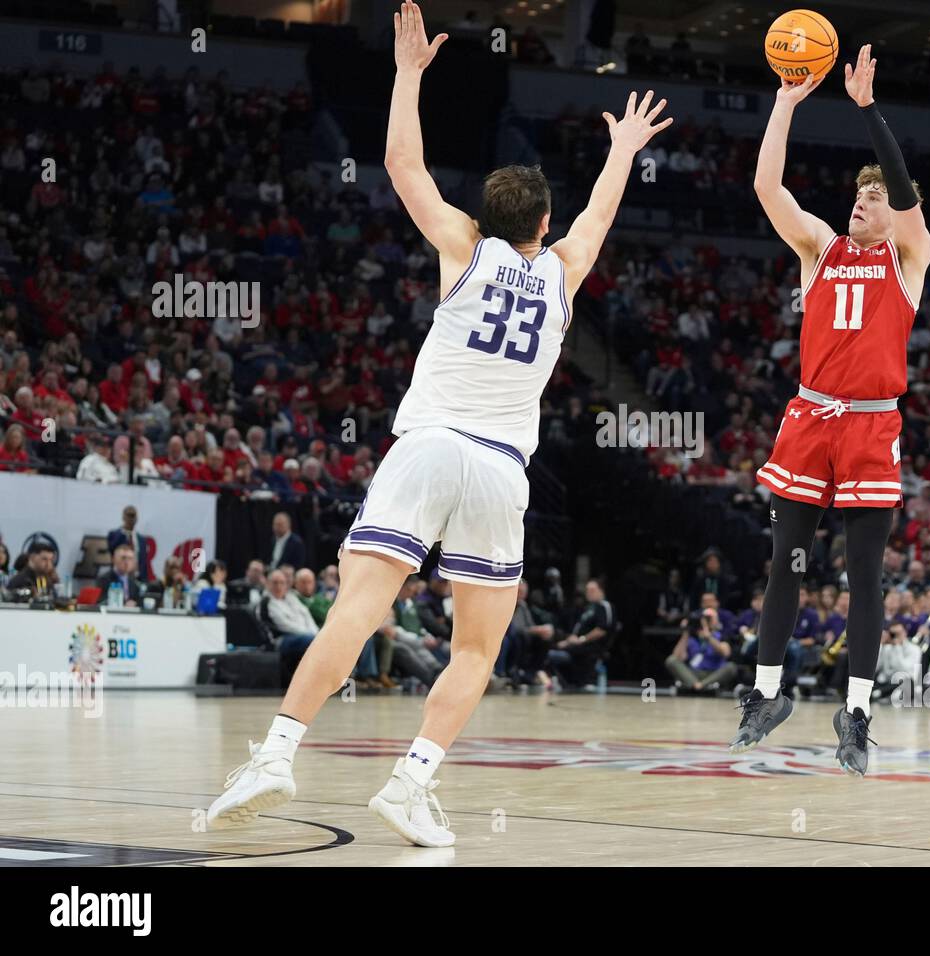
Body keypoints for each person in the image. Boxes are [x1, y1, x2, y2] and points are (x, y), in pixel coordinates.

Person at [207, 1, 672, 848]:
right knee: (475, 649)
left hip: (427, 447)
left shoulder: (462, 244)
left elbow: (399, 161)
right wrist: (622, 152)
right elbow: (598, 217)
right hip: (499, 468)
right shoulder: (563, 271)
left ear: (488, 218)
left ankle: (277, 752)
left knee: (357, 605)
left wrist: (411, 72)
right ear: (541, 224)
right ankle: (411, 781)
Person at [732, 44, 930, 776]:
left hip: (873, 421)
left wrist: (865, 109)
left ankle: (855, 712)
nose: (863, 201)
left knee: (863, 575)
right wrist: (785, 102)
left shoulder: (908, 258)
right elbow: (766, 185)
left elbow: (906, 191)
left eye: (875, 197)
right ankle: (766, 692)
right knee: (785, 560)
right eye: (859, 193)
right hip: (810, 417)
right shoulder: (820, 247)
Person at [665, 609, 738, 692]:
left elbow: (726, 653)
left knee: (731, 667)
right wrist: (685, 633)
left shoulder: (720, 636)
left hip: (713, 673)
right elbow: (678, 657)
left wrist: (709, 637)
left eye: (709, 619)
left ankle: (700, 685)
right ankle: (697, 685)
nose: (706, 622)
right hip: (693, 673)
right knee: (671, 660)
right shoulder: (692, 637)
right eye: (704, 619)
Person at [107, 506, 151, 581]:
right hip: (119, 577)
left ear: (137, 518)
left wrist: (144, 579)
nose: (131, 519)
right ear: (123, 517)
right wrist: (124, 532)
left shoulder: (141, 540)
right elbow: (112, 550)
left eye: (133, 516)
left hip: (137, 578)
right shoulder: (114, 535)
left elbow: (143, 562)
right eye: (128, 515)